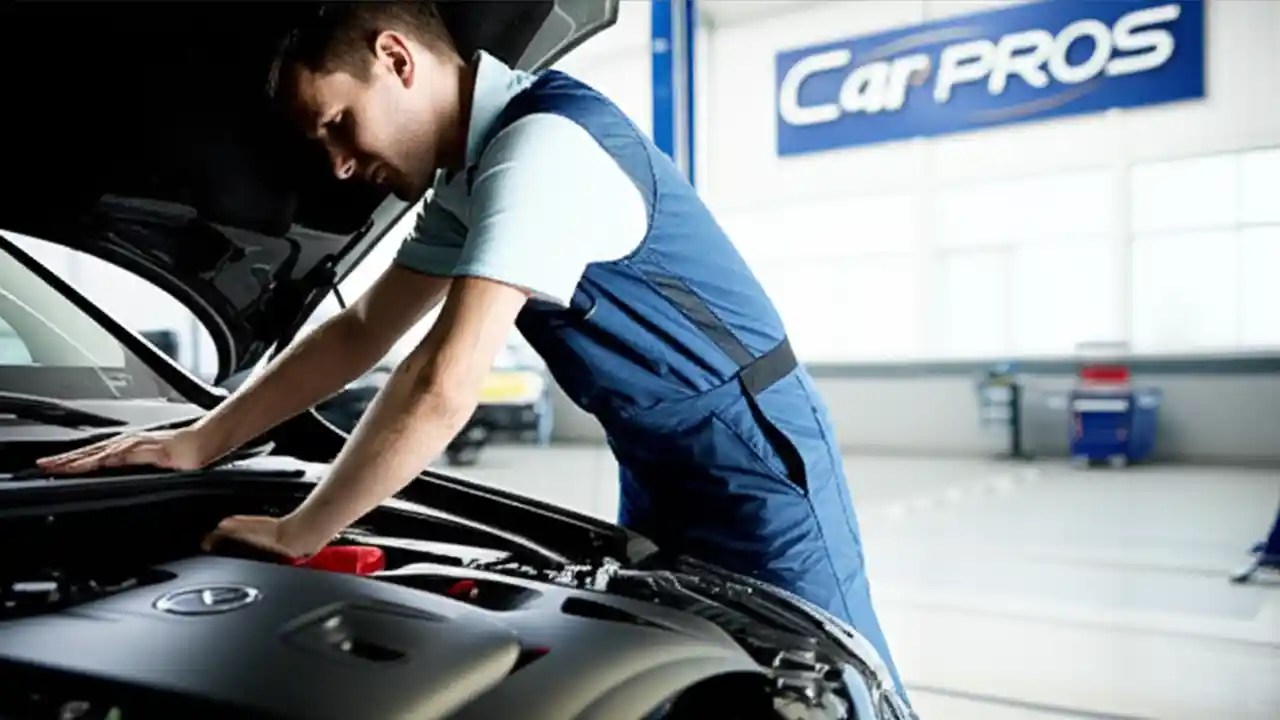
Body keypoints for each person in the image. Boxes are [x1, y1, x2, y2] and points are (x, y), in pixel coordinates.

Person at [35, 1, 907, 697]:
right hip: (663, 461)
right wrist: (200, 440)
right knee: (714, 681)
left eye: (338, 123)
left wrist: (303, 531)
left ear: (396, 60)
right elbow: (362, 331)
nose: (337, 166)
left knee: (822, 682)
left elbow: (441, 384)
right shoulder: (472, 175)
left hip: (754, 455)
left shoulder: (542, 150)